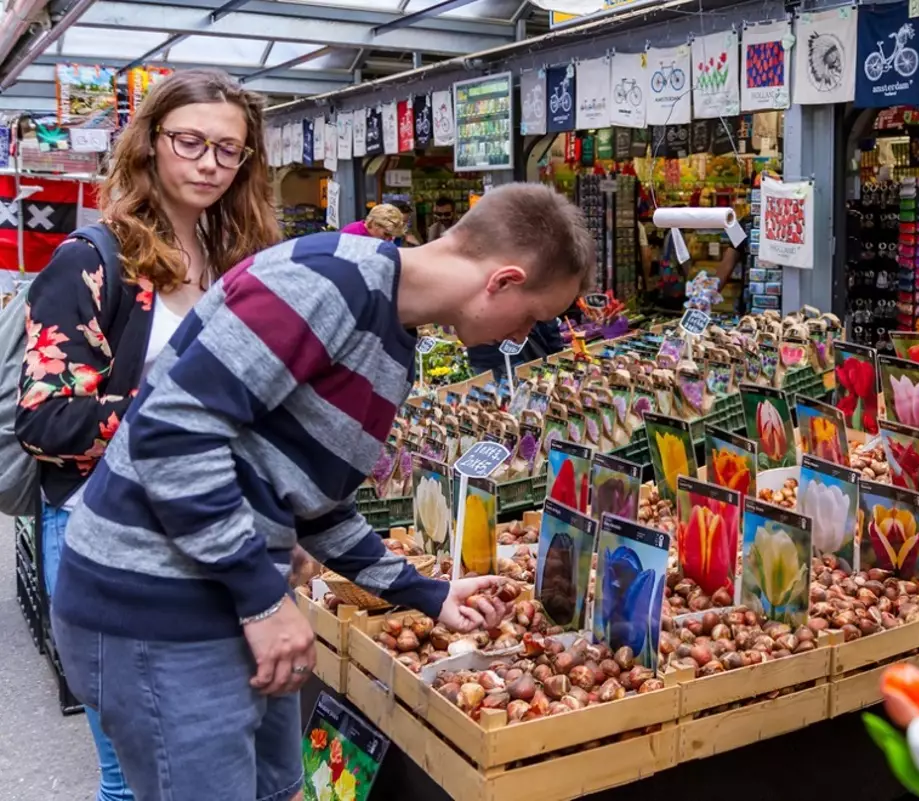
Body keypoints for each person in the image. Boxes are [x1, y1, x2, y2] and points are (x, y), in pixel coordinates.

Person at [52, 182, 595, 801]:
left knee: (278, 789)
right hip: (157, 607)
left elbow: (309, 496)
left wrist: (425, 592)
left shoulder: (394, 338)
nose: (521, 337)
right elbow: (170, 438)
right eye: (531, 318)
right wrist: (262, 600)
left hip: (225, 600)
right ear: (501, 279)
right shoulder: (324, 282)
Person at [16, 68, 280, 801]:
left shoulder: (235, 265)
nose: (209, 163)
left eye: (230, 151)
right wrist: (181, 413)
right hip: (110, 537)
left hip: (213, 537)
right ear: (149, 144)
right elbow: (45, 418)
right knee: (136, 777)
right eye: (190, 141)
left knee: (213, 756)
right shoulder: (93, 261)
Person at [467, 318, 565, 380]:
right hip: (512, 355)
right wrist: (556, 348)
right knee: (524, 397)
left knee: (496, 404)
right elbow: (546, 318)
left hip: (481, 356)